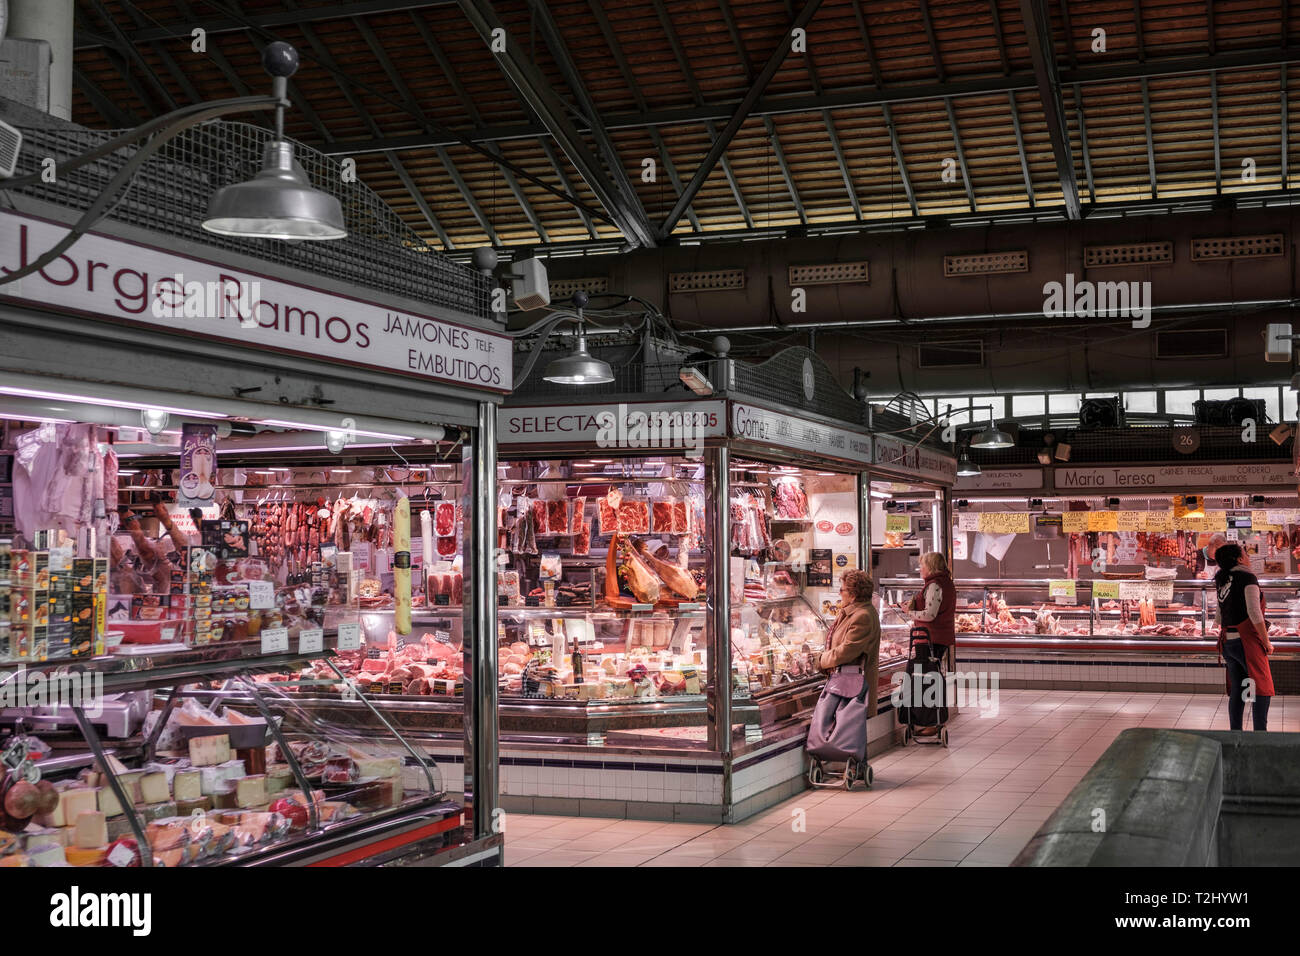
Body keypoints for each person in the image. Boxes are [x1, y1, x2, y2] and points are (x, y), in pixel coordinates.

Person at [1213, 543, 1274, 731]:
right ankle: (1259, 736)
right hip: (1246, 641)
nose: (1248, 556)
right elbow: (1254, 613)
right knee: (1261, 688)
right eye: (1245, 554)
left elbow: (1218, 616)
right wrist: (1266, 642)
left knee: (1239, 690)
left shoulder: (1223, 579)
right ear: (1239, 559)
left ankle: (1235, 734)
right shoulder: (1247, 577)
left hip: (1228, 643)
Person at [818, 569, 882, 717]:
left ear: (853, 595)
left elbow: (847, 651)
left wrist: (821, 660)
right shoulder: (850, 611)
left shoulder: (863, 616)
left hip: (854, 690)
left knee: (850, 734)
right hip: (845, 687)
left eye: (842, 590)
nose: (839, 593)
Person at [908, 551, 957, 735]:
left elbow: (929, 614)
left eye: (923, 565)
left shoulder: (935, 585)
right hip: (937, 637)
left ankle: (932, 722)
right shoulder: (945, 583)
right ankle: (935, 720)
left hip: (930, 638)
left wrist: (910, 612)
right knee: (932, 677)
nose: (920, 569)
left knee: (927, 680)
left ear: (931, 567)